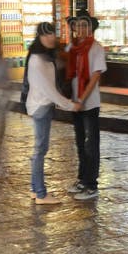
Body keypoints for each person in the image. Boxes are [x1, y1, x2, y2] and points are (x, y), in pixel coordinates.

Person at [25, 22, 81, 205]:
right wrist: (70, 105)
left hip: (43, 106)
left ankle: (35, 189)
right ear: (39, 37)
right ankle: (41, 194)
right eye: (46, 35)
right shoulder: (37, 60)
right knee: (40, 150)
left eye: (52, 34)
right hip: (41, 106)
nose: (50, 38)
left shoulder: (44, 57)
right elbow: (49, 90)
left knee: (40, 149)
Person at [64, 9, 107, 200]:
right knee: (80, 143)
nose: (80, 28)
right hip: (76, 103)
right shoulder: (70, 48)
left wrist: (82, 98)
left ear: (90, 28)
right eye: (78, 24)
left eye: (84, 25)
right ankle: (82, 179)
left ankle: (92, 185)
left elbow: (95, 76)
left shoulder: (96, 48)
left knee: (91, 145)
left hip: (89, 103)